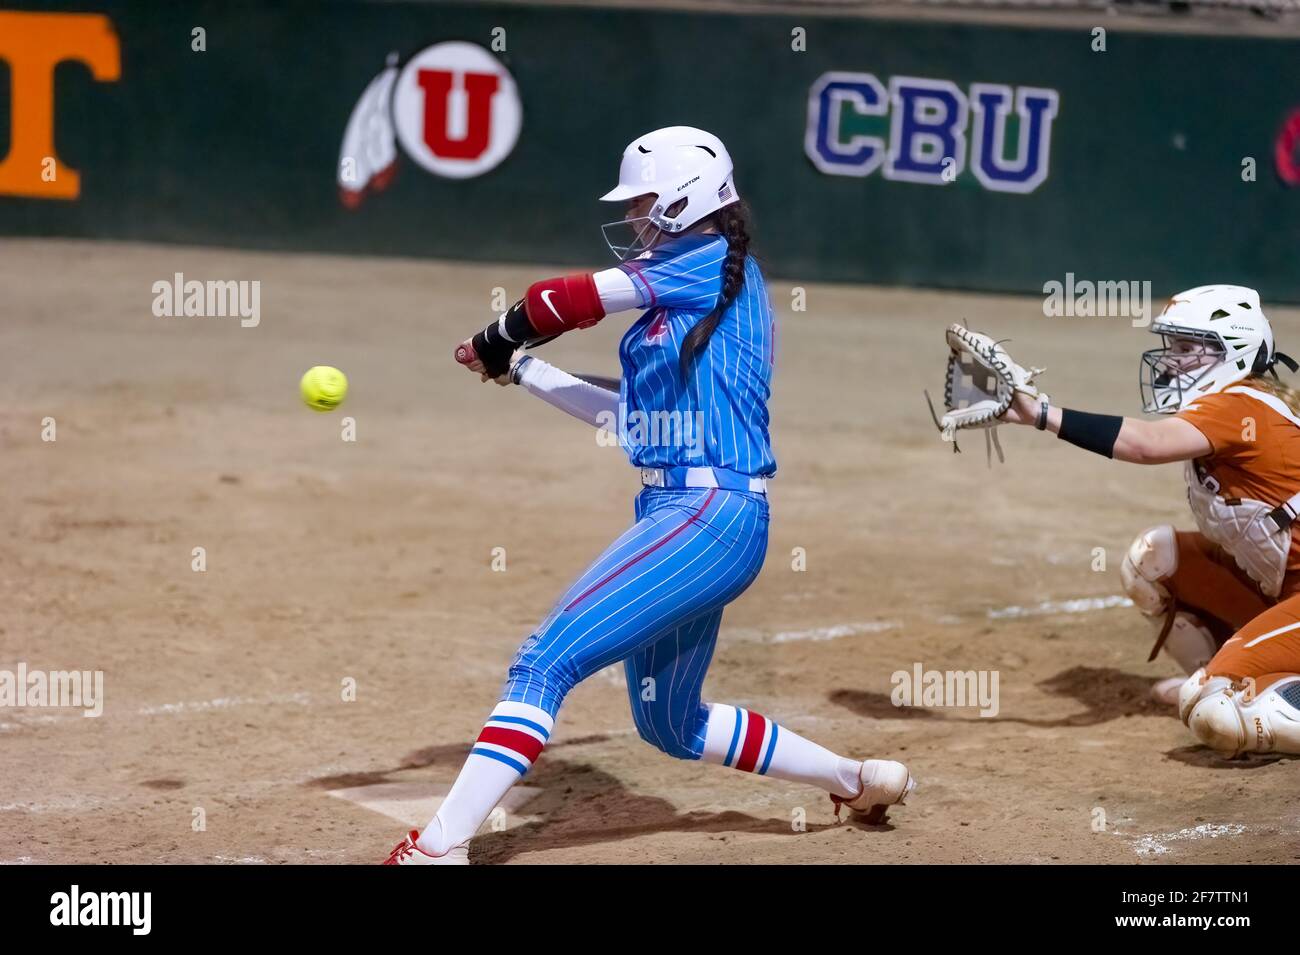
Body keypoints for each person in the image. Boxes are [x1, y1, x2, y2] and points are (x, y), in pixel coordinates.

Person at [382, 126, 914, 865]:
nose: (632, 216)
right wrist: (524, 371)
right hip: (688, 515)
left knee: (543, 664)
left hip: (706, 516)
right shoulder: (695, 285)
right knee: (672, 723)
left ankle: (439, 848)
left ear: (682, 199)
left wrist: (499, 335)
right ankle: (857, 779)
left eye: (641, 201)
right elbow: (625, 415)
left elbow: (564, 298)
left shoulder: (702, 261)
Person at [1000, 285, 1300, 757]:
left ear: (1233, 352)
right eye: (1171, 346)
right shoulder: (1238, 405)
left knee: (1216, 717)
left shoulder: (1239, 404)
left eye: (1185, 348)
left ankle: (1224, 687)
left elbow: (1145, 445)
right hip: (1285, 595)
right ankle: (1216, 678)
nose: (1168, 361)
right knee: (1154, 559)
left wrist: (1039, 413)